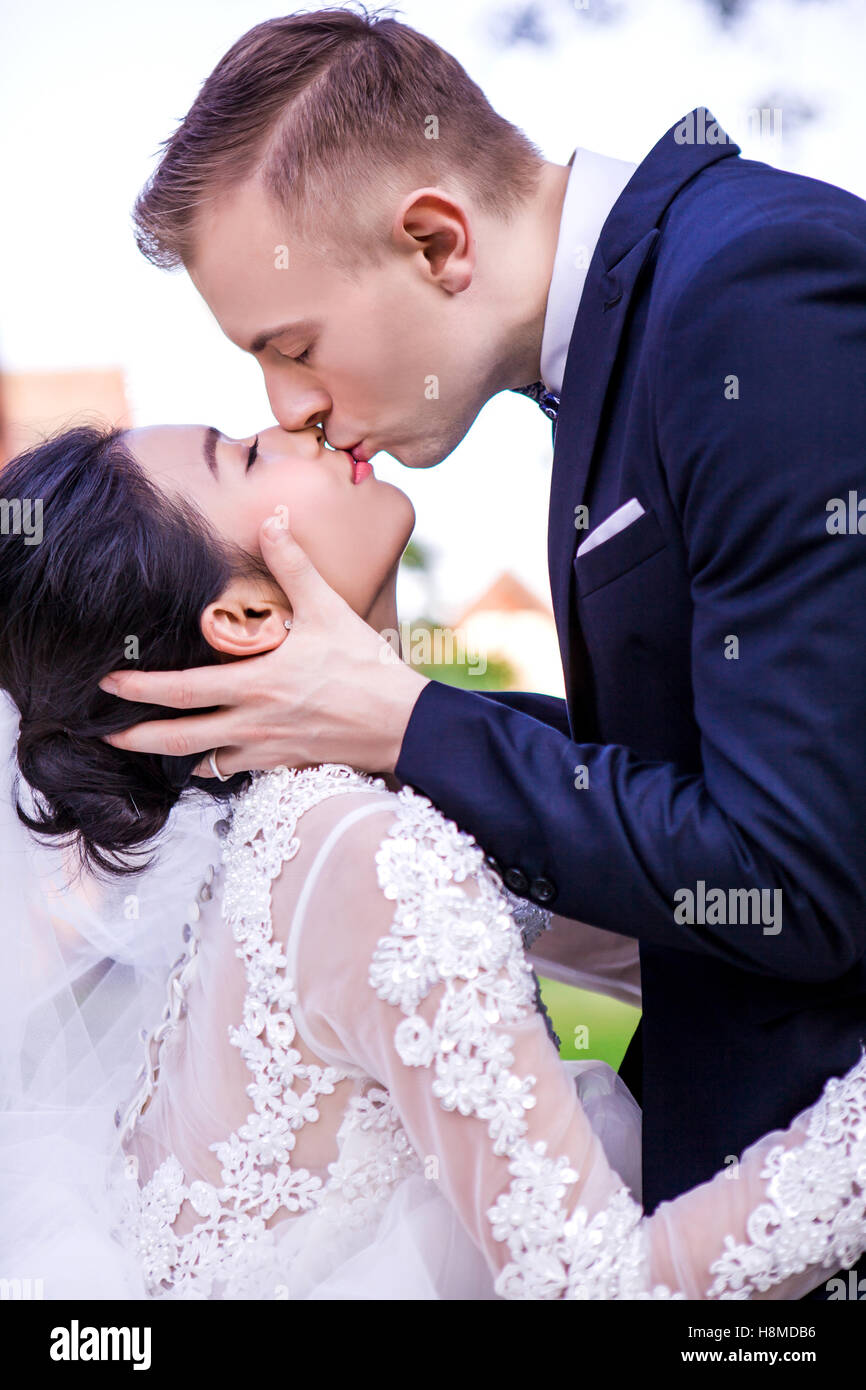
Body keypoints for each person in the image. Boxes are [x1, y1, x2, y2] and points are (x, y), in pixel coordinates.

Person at [107, 10, 866, 1300]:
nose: (287, 406)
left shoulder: (747, 299)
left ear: (433, 240)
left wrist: (411, 724)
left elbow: (794, 864)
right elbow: (695, 765)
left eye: (289, 347)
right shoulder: (630, 347)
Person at [0, 421, 864, 1300]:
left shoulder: (302, 825)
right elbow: (598, 1285)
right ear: (246, 619)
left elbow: (673, 927)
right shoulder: (356, 848)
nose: (293, 425)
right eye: (248, 456)